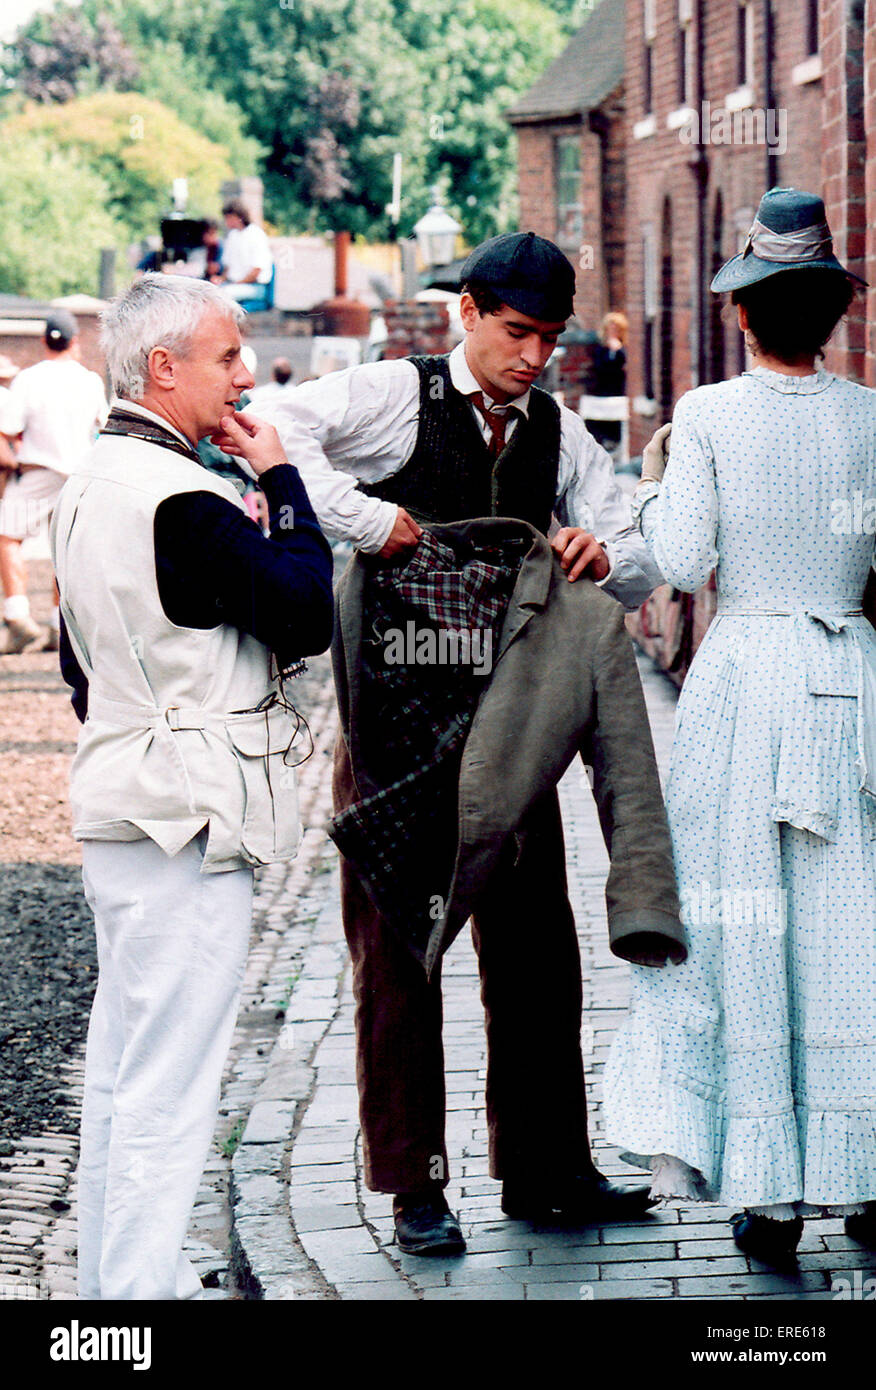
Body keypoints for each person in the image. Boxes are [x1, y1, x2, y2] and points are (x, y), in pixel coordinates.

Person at [224, 230, 667, 1254]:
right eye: (517, 333)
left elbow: (638, 549)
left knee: (539, 957)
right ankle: (415, 1184)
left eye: (550, 339)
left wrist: (607, 552)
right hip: (396, 734)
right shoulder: (395, 396)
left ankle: (548, 1171)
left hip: (513, 737)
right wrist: (365, 520)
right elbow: (275, 422)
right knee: (398, 961)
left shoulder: (557, 431)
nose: (534, 357)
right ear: (468, 312)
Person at [604, 187, 876, 1269]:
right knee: (853, 924)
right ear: (833, 315)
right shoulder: (872, 417)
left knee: (747, 928)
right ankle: (865, 1168)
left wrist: (658, 469)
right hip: (852, 674)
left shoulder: (709, 413)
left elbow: (674, 563)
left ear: (745, 314)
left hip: (747, 677)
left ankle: (766, 1193)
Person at [51, 273, 334, 1299]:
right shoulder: (190, 500)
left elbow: (83, 669)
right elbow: (305, 609)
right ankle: (133, 1313)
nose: (243, 373)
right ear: (162, 368)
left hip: (121, 803)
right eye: (226, 355)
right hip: (194, 818)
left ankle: (122, 1289)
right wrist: (289, 482)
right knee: (168, 1087)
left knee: (126, 1074)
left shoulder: (90, 480)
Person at [0, 310, 108, 655]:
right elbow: (102, 425)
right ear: (75, 342)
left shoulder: (28, 379)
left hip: (36, 471)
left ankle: (18, 618)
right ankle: (58, 624)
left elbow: (10, 429)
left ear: (44, 341)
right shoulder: (90, 380)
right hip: (78, 473)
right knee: (65, 548)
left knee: (8, 538)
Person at [210, 199, 273, 308]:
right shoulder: (232, 236)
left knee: (222, 295)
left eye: (228, 218)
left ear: (238, 216)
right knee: (209, 292)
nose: (226, 222)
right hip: (234, 285)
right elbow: (227, 268)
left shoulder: (256, 235)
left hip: (255, 287)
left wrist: (236, 284)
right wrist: (221, 279)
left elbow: (256, 271)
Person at [585, 311, 627, 455]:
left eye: (616, 329)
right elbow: (598, 367)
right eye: (610, 329)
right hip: (601, 389)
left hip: (618, 390)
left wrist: (618, 350)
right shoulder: (600, 348)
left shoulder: (623, 348)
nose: (612, 332)